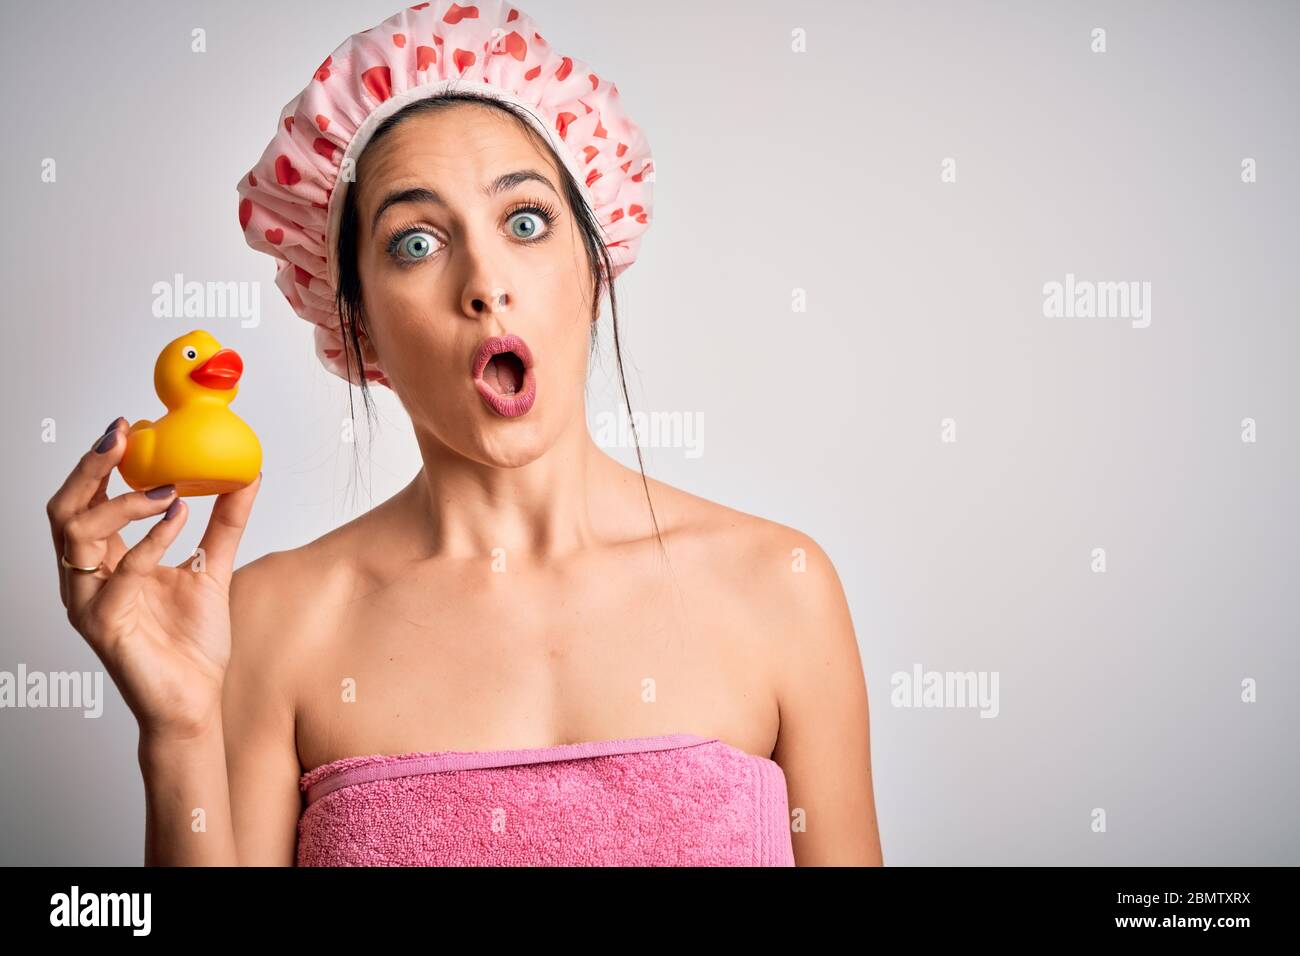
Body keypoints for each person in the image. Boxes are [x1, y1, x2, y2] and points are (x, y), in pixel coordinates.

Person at [45, 0, 881, 866]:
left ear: (592, 270)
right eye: (416, 243)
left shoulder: (781, 588)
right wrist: (178, 732)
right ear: (357, 325)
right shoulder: (269, 620)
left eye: (524, 222)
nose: (485, 282)